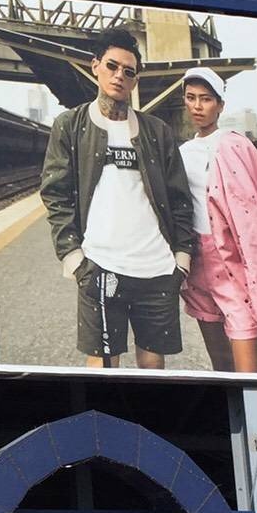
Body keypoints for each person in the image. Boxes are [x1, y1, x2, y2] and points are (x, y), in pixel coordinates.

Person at [39, 29, 194, 370]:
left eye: (129, 71)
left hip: (157, 267)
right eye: (112, 66)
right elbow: (55, 194)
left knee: (153, 365)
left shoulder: (157, 131)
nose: (119, 76)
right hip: (99, 266)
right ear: (95, 66)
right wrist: (75, 259)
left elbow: (179, 198)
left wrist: (181, 260)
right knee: (103, 365)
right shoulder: (70, 125)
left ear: (135, 79)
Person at [177, 67, 257, 372]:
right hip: (197, 263)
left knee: (248, 371)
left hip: (234, 262)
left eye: (205, 99)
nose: (197, 105)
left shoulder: (236, 145)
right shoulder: (181, 152)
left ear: (220, 105)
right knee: (220, 364)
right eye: (191, 98)